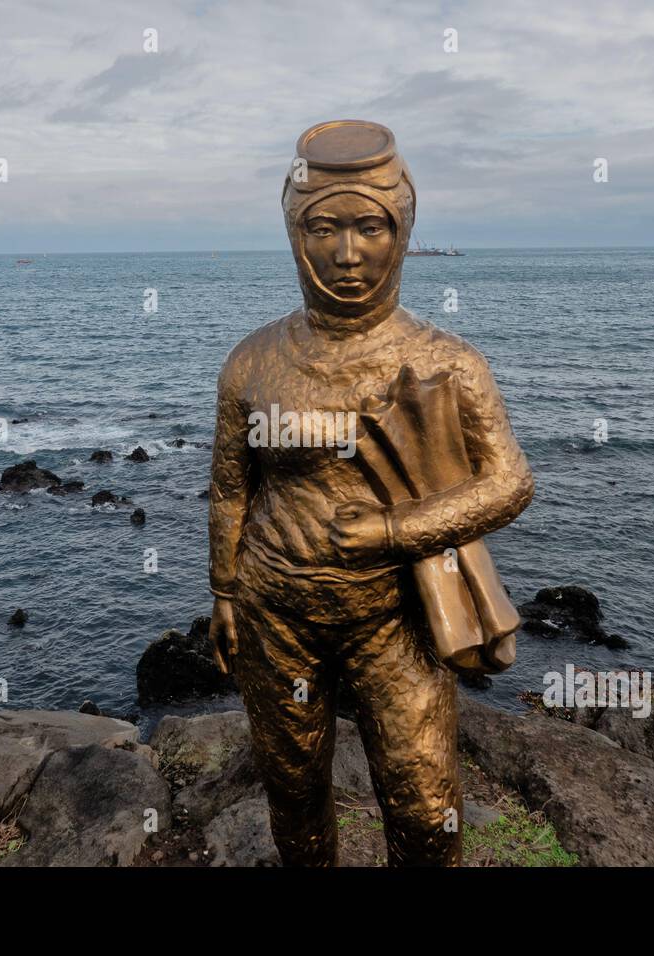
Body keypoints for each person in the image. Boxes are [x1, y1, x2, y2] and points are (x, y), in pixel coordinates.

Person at [206, 120, 534, 866]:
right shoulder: (252, 363)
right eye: (324, 228)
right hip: (274, 611)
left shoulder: (444, 362)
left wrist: (394, 530)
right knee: (292, 793)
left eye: (369, 228)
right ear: (295, 233)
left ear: (403, 233)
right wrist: (224, 591)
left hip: (397, 618)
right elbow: (230, 487)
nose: (347, 254)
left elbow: (510, 481)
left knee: (423, 806)